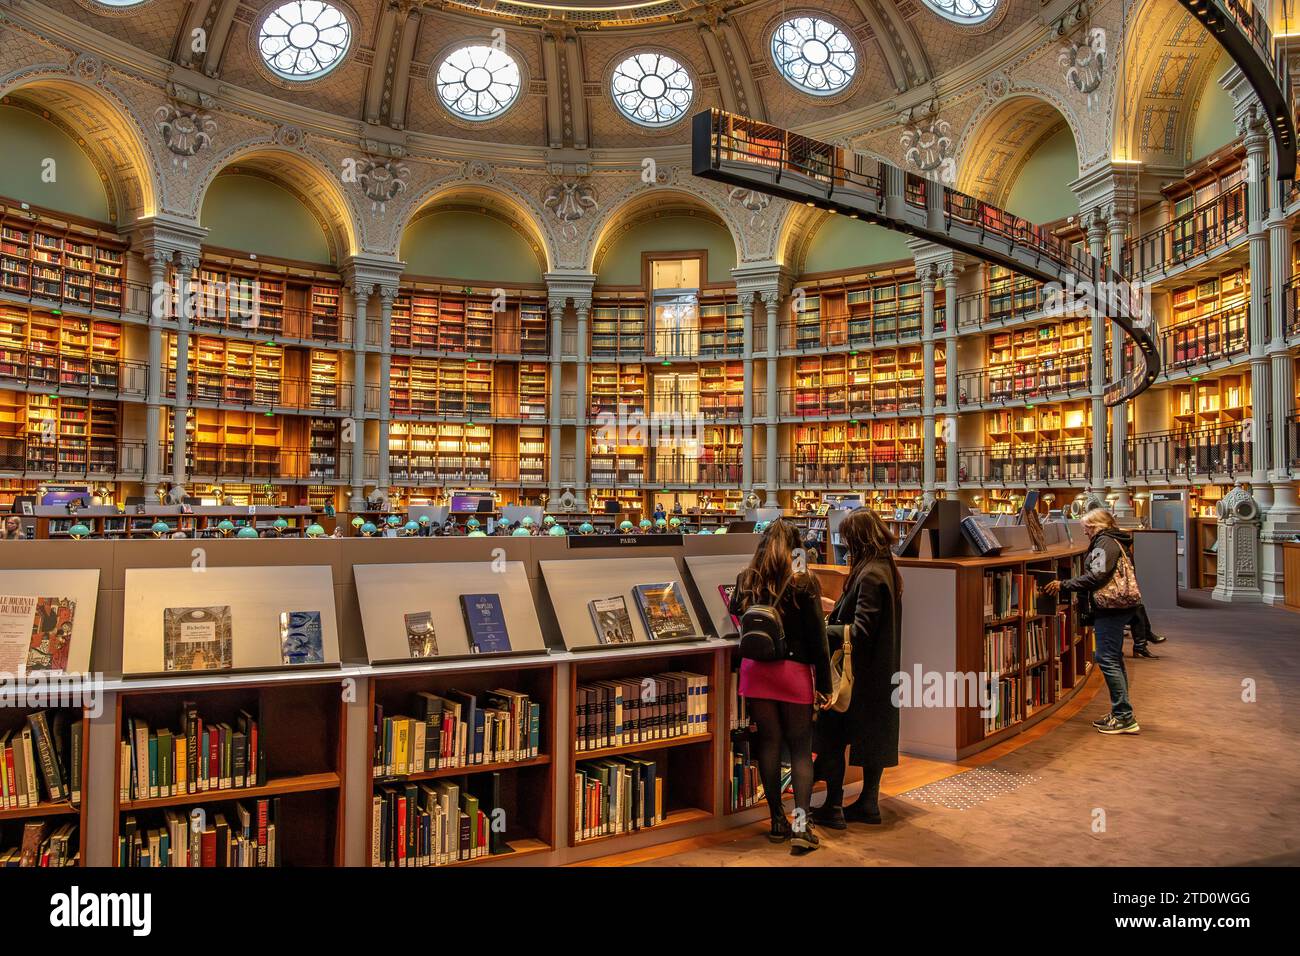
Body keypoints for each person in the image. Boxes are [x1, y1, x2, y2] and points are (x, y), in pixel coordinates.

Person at [727, 519, 831, 854]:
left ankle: (775, 821)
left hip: (756, 670)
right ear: (796, 548)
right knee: (801, 749)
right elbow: (818, 637)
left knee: (768, 744)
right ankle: (801, 827)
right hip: (793, 671)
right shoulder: (804, 581)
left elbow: (733, 609)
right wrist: (826, 683)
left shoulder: (747, 578)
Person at [811, 508, 903, 829]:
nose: (846, 546)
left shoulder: (870, 574)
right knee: (871, 738)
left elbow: (861, 630)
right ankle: (868, 802)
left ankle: (833, 805)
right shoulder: (884, 568)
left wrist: (823, 629)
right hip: (879, 671)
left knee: (831, 734)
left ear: (860, 539)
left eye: (849, 540)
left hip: (859, 675)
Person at [1044, 508, 1142, 735]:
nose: (1085, 532)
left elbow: (1096, 576)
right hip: (1121, 607)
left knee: (1106, 658)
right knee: (1114, 658)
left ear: (1096, 526)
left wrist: (1064, 585)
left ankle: (1124, 717)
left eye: (1086, 528)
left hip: (1111, 607)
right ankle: (1121, 712)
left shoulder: (1104, 543)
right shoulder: (1114, 540)